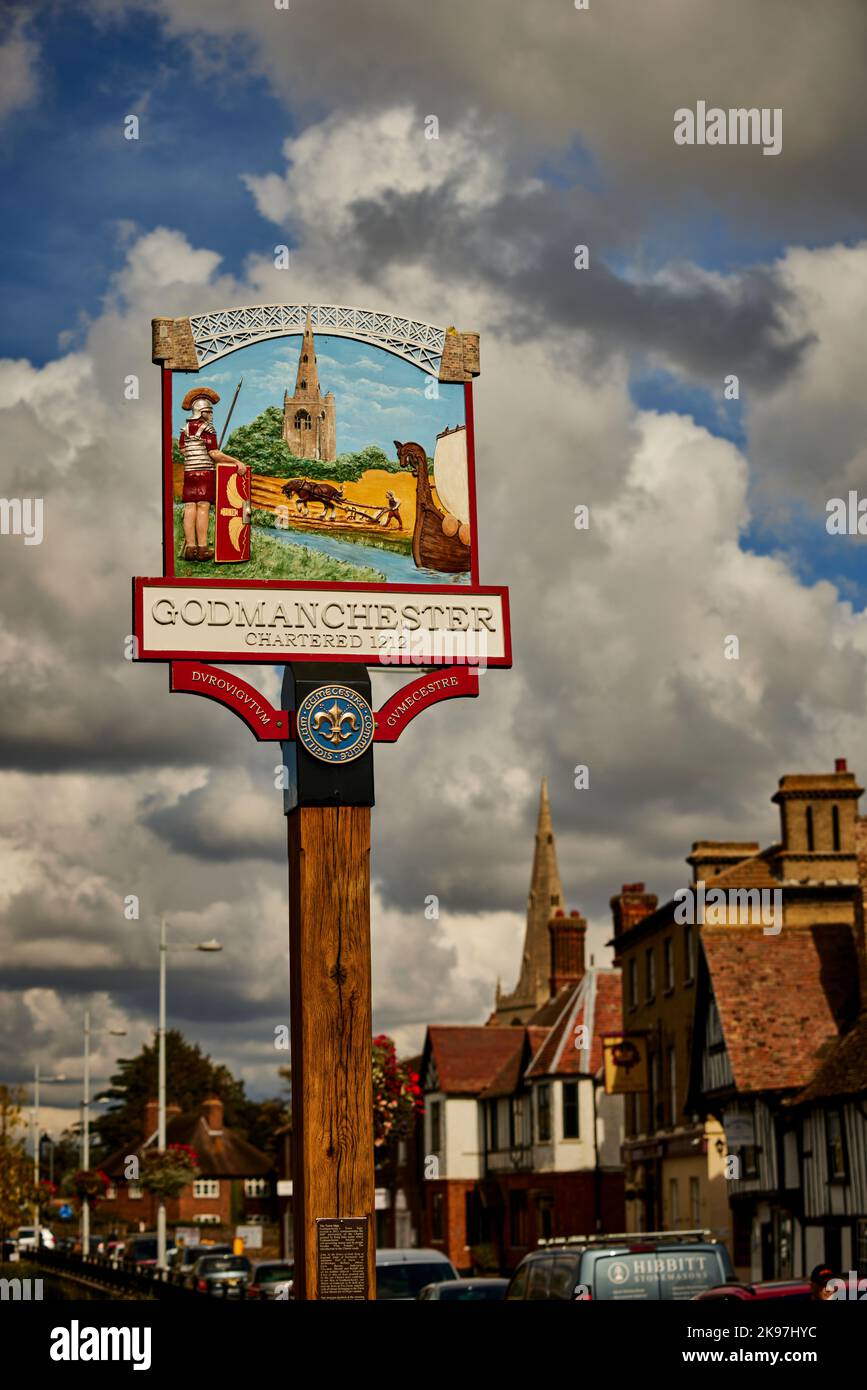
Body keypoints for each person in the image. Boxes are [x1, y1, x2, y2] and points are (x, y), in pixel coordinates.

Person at [178, 387, 247, 561]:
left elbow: (183, 450)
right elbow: (214, 454)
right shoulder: (208, 429)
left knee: (189, 508)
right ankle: (201, 549)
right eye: (209, 411)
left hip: (189, 472)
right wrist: (235, 461)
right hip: (204, 472)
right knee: (202, 508)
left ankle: (189, 547)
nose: (211, 415)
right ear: (202, 412)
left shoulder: (185, 429)